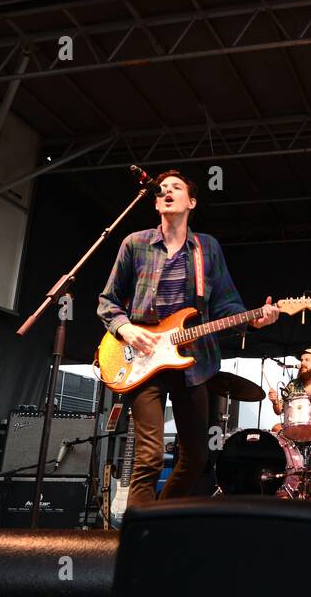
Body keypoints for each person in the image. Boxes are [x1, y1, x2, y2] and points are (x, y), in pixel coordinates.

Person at [98, 169, 278, 508]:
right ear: (156, 202)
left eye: (176, 188)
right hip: (141, 359)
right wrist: (126, 328)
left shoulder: (206, 248)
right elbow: (107, 301)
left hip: (192, 363)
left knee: (195, 457)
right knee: (149, 457)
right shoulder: (134, 243)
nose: (167, 192)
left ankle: (157, 519)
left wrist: (255, 321)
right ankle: (136, 541)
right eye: (161, 189)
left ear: (191, 201)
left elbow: (227, 304)